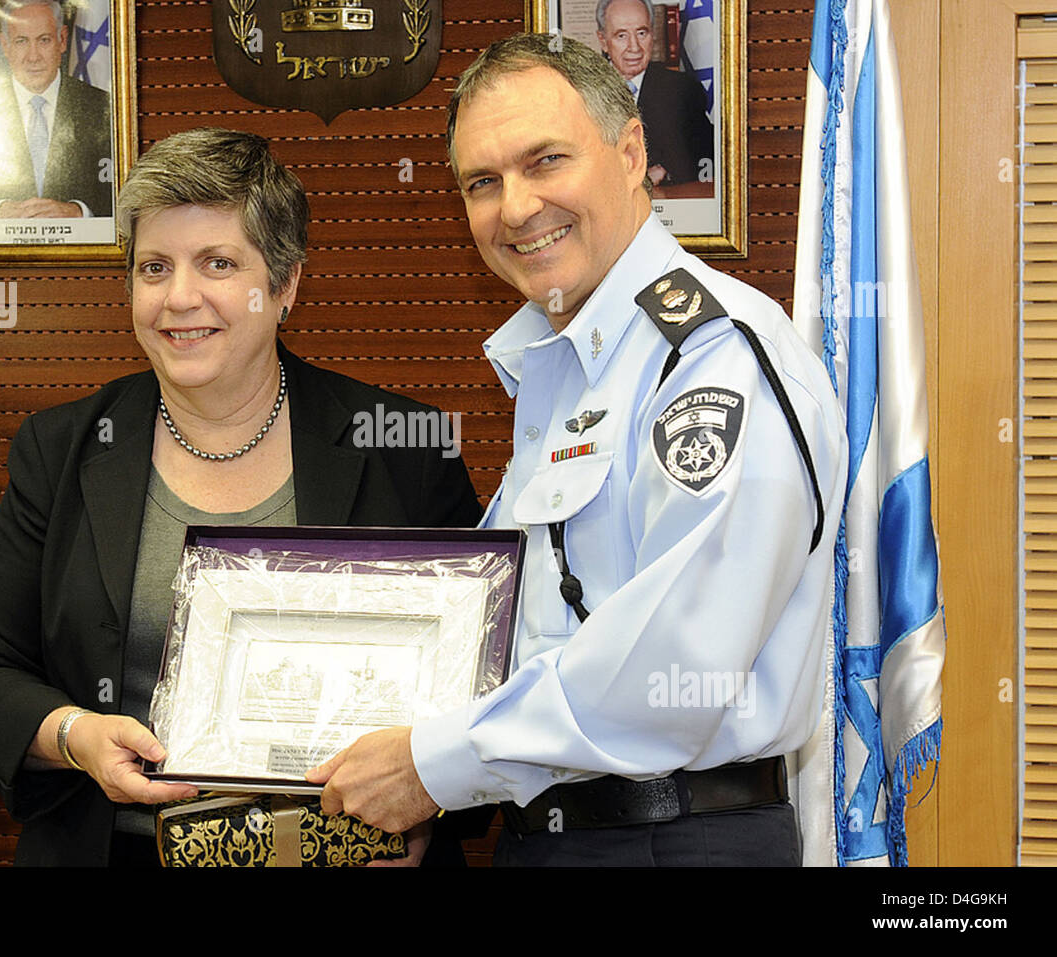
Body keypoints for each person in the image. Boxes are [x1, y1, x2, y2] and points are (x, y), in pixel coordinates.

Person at [307, 33, 847, 867]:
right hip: (558, 834)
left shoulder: (709, 359)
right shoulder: (566, 366)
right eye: (481, 182)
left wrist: (431, 765)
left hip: (672, 838)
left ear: (631, 151)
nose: (515, 207)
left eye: (545, 160)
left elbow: (672, 670)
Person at [0, 127, 483, 866]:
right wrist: (75, 735)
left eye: (218, 263)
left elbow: (482, 684)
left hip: (339, 856)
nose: (179, 298)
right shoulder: (59, 449)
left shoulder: (404, 447)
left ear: (287, 282)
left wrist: (422, 807)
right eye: (154, 267)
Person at [0, 0, 113, 219]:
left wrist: (79, 212)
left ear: (62, 40)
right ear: (5, 45)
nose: (33, 57)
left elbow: (119, 195)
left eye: (44, 40)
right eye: (21, 41)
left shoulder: (102, 108)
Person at [596, 0, 714, 189]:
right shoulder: (583, 93)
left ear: (653, 35)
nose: (634, 47)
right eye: (621, 36)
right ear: (603, 41)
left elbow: (706, 161)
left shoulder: (682, 90)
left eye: (641, 33)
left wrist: (666, 171)